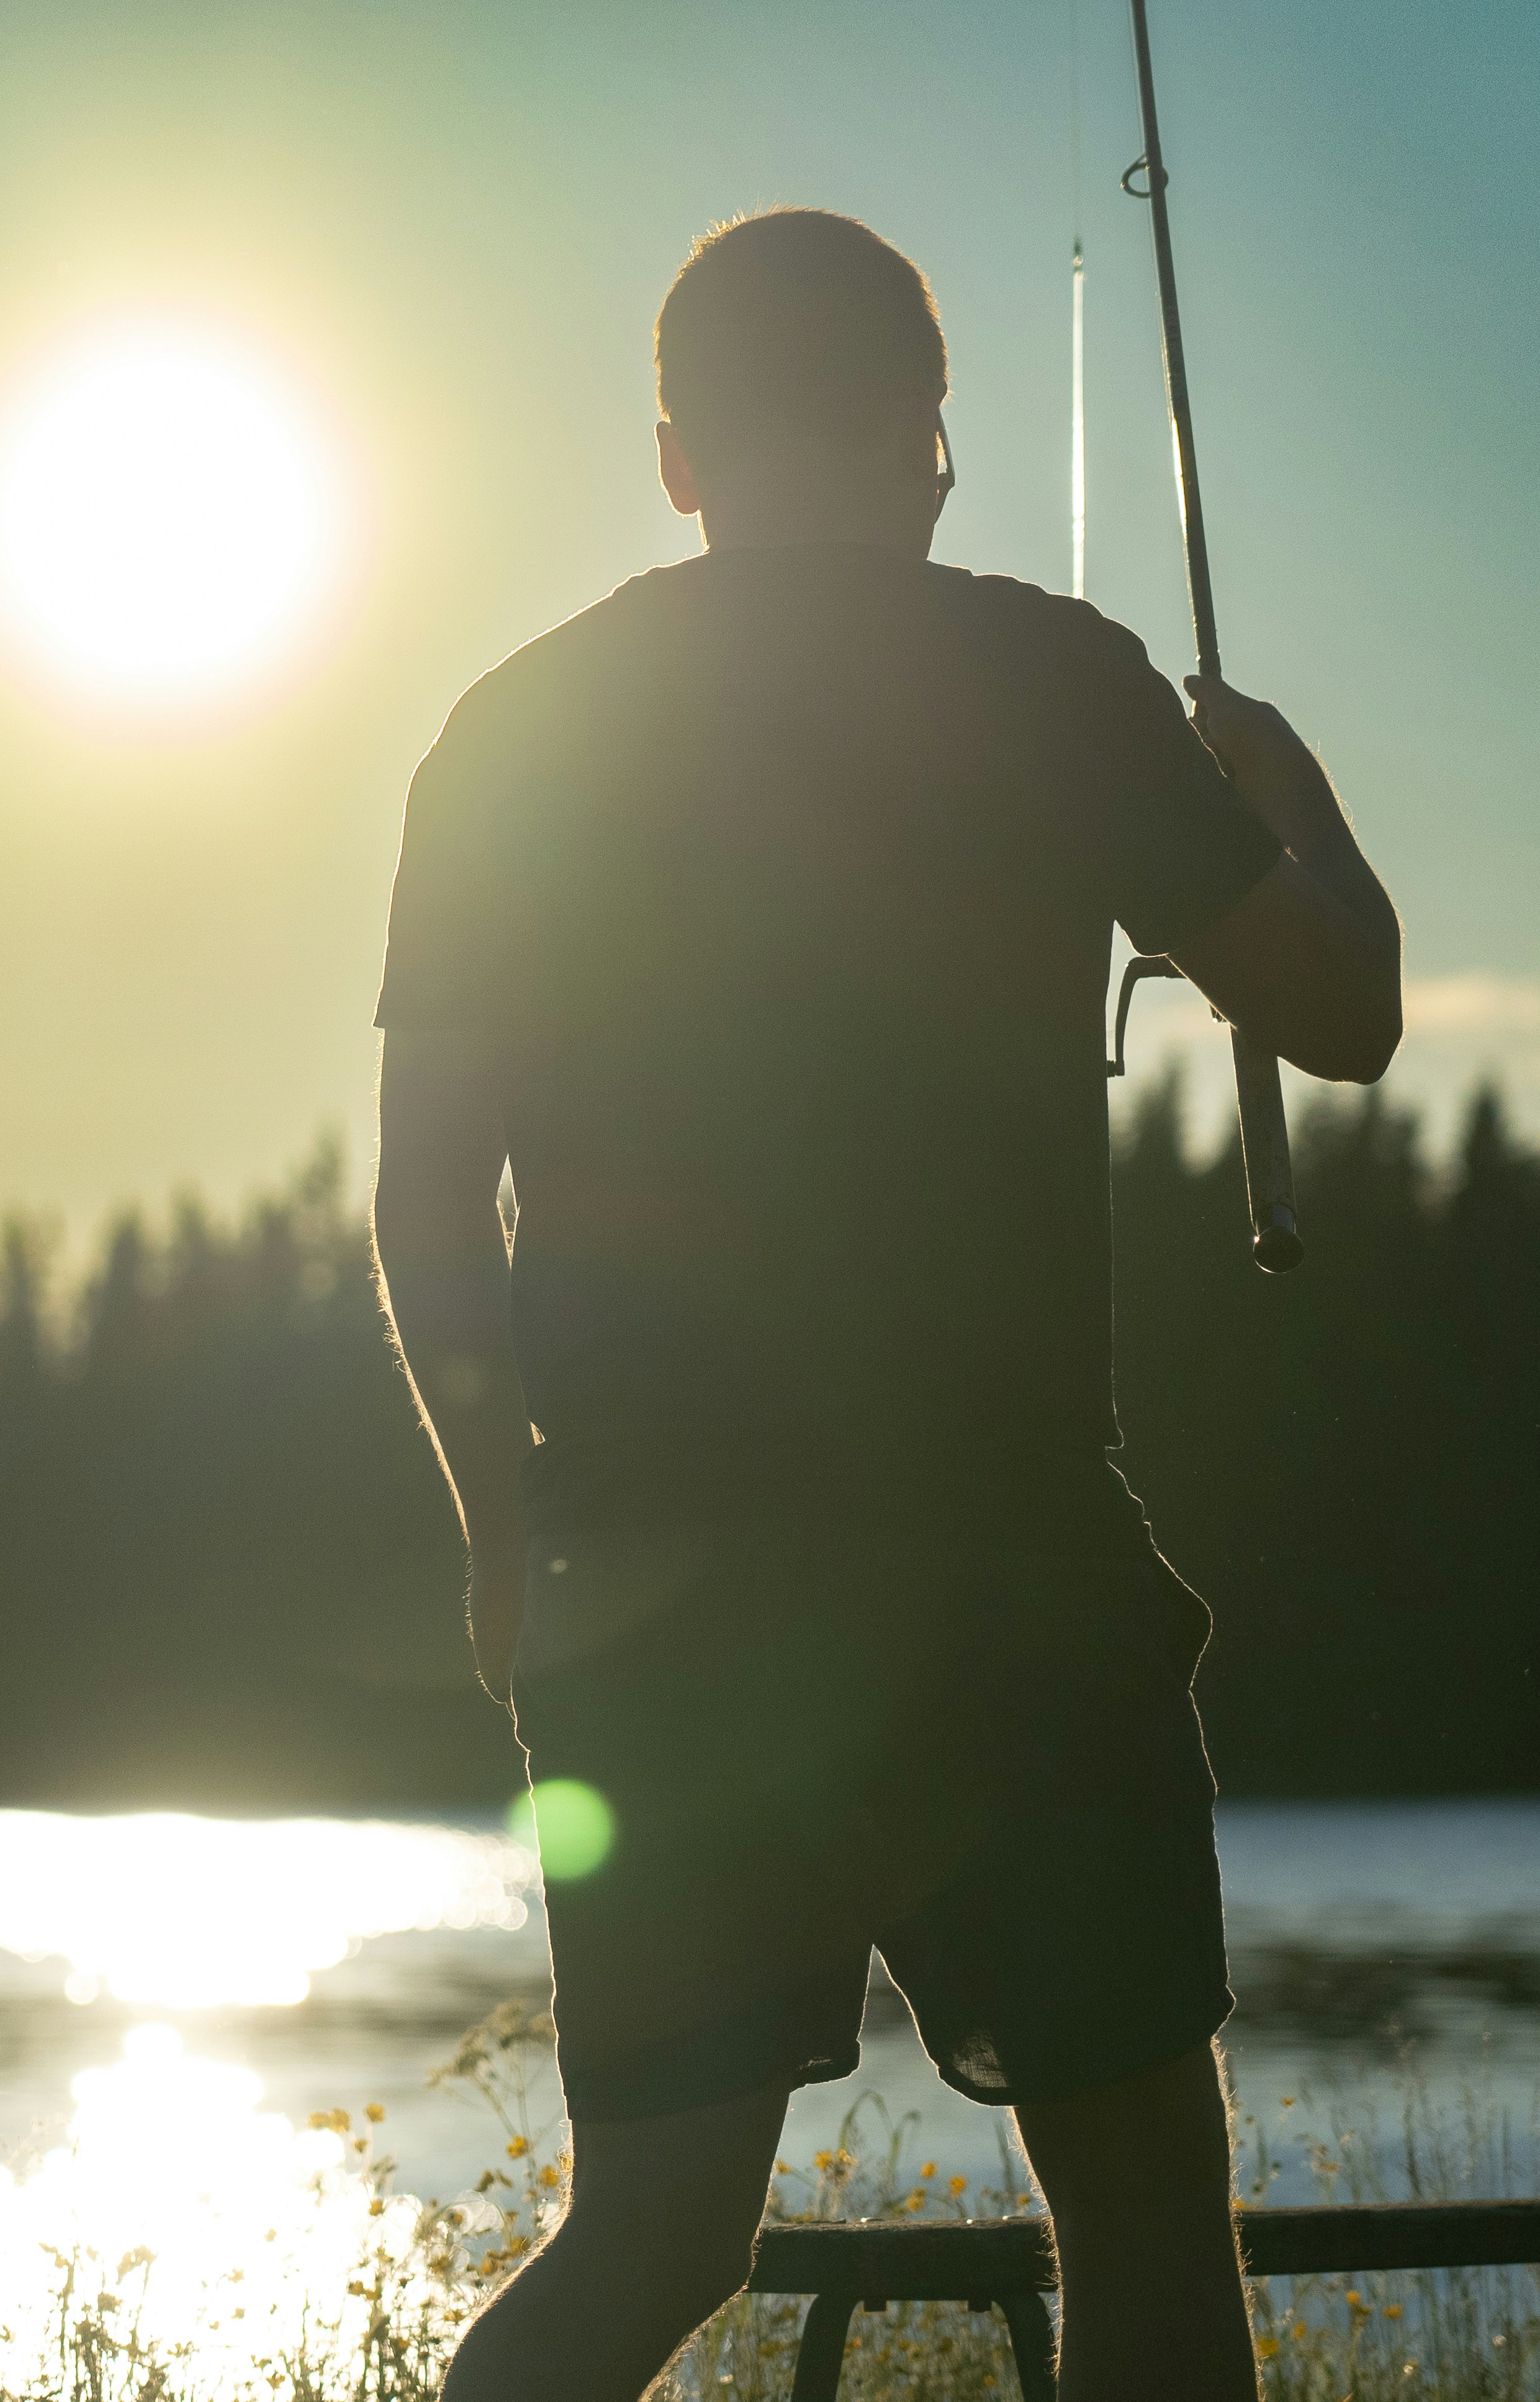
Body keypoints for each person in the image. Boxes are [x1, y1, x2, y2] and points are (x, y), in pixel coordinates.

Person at [367, 207, 1402, 2402]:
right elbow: (1347, 1012)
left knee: (650, 2232)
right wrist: (1292, 805)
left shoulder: (511, 736)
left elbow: (428, 1199)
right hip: (1009, 1581)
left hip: (648, 1593)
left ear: (675, 455)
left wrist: (496, 1522)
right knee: (1137, 2211)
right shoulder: (1054, 684)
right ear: (933, 443)